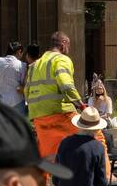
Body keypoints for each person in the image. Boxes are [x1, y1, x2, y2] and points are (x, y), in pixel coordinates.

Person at [24, 31, 84, 165]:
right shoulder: (61, 59)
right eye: (69, 45)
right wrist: (81, 105)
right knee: (94, 136)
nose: (69, 49)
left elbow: (27, 91)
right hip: (60, 113)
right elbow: (66, 85)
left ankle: (44, 179)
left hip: (39, 117)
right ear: (63, 44)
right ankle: (108, 175)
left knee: (49, 155)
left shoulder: (35, 65)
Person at [54, 107, 110, 186]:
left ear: (79, 125)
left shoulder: (64, 143)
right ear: (97, 129)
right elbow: (102, 182)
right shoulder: (98, 147)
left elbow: (55, 179)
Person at [0, 41, 27, 111]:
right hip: (16, 101)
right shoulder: (22, 65)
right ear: (19, 51)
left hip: (0, 100)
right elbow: (22, 84)